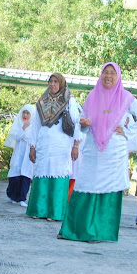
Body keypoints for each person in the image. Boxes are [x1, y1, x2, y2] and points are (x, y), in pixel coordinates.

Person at [58, 63, 137, 242]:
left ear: (118, 76)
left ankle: (98, 232)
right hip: (93, 150)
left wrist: (128, 132)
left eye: (112, 73)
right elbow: (84, 122)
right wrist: (83, 124)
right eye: (105, 72)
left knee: (107, 188)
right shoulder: (93, 96)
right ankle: (72, 230)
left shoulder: (126, 97)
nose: (108, 76)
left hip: (114, 153)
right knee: (84, 185)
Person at [25, 73, 80, 221]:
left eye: (56, 82)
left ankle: (55, 212)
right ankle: (38, 210)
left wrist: (76, 145)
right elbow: (35, 125)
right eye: (50, 81)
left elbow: (77, 124)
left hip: (61, 146)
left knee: (58, 175)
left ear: (61, 84)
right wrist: (32, 146)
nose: (52, 84)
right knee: (41, 173)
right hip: (44, 145)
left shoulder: (69, 100)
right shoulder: (42, 100)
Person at [4, 104, 37, 207]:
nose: (25, 115)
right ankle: (12, 195)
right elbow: (17, 137)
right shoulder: (18, 124)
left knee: (26, 176)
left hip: (28, 154)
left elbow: (35, 139)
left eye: (28, 113)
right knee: (15, 175)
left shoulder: (35, 126)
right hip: (19, 153)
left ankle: (22, 198)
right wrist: (23, 128)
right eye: (24, 112)